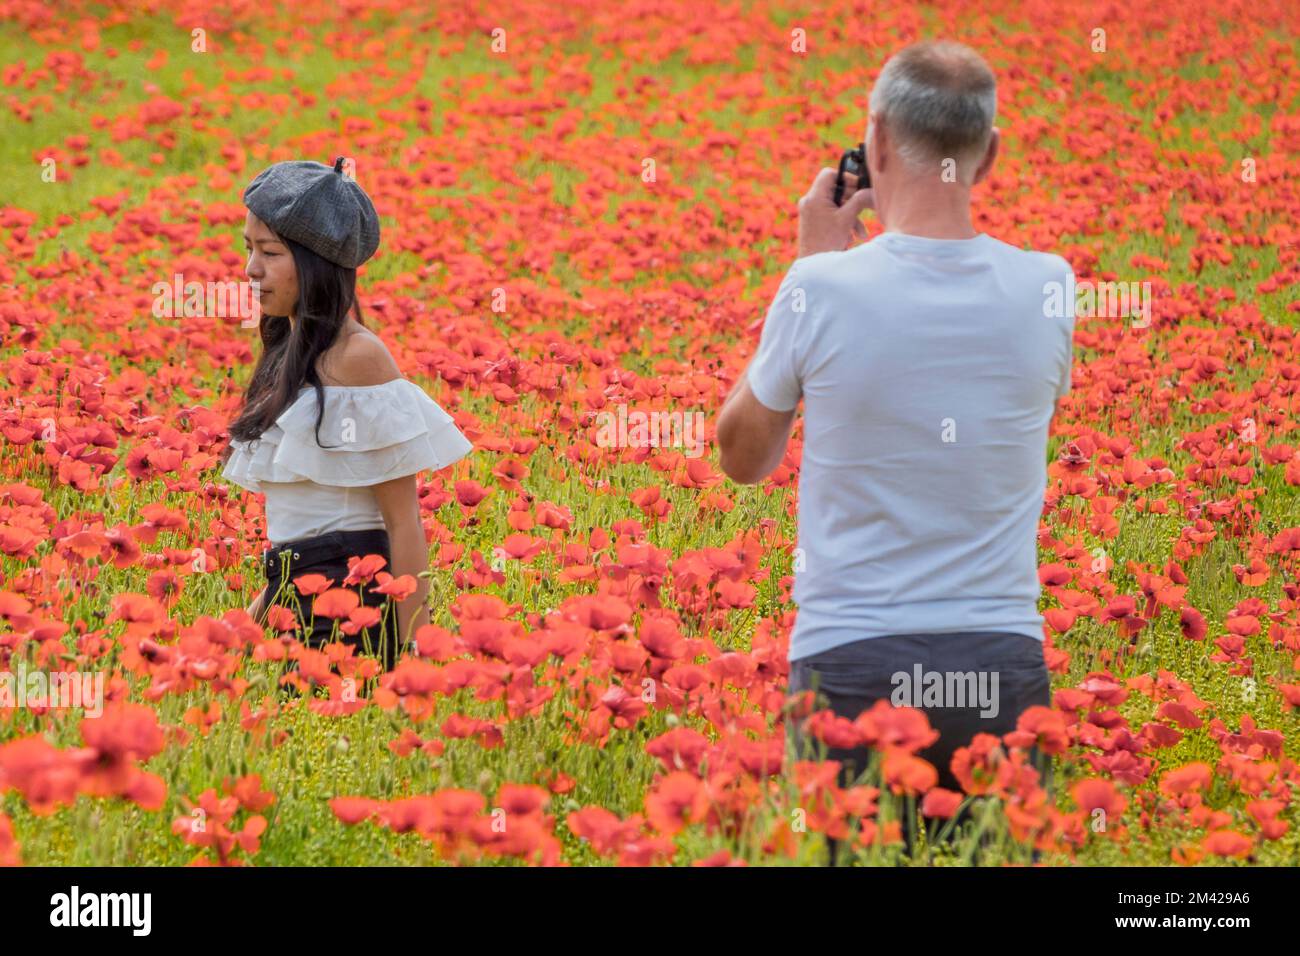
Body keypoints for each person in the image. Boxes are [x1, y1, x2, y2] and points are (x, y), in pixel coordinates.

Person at [716, 40, 1075, 862]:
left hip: (853, 665)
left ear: (874, 141)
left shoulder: (822, 288)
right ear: (988, 155)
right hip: (1003, 666)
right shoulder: (1050, 286)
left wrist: (811, 266)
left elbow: (743, 457)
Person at [219, 157, 473, 674]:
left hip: (350, 612)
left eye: (269, 252)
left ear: (316, 264)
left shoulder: (358, 358)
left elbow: (402, 522)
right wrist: (247, 628)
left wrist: (413, 657)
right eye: (248, 249)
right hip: (295, 604)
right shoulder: (288, 351)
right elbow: (296, 543)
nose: (251, 269)